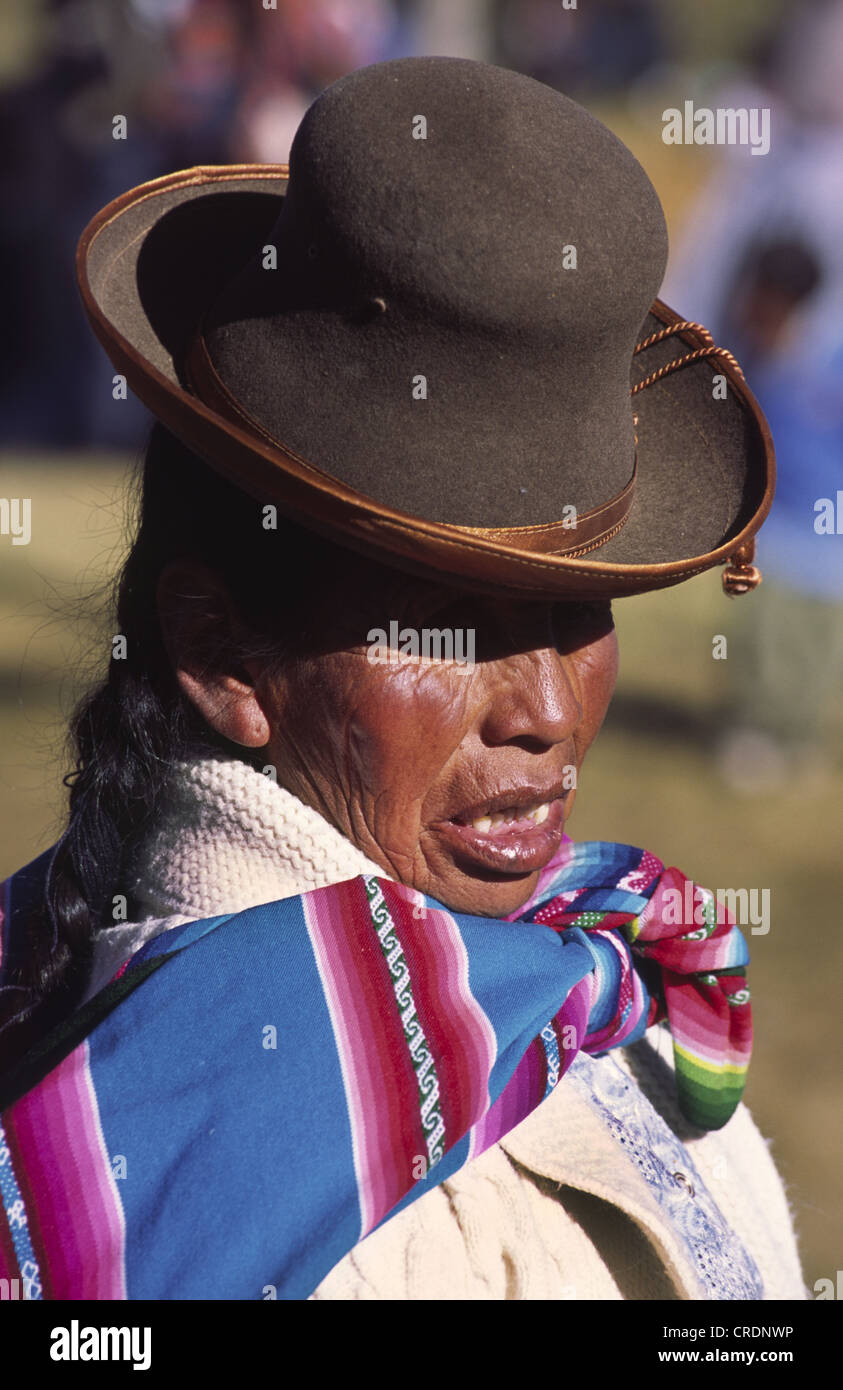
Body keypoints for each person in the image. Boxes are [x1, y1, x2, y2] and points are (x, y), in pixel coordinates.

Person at [0, 57, 804, 1300]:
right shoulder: (320, 1214)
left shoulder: (566, 984)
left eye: (574, 613)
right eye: (445, 629)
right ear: (224, 656)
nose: (548, 714)